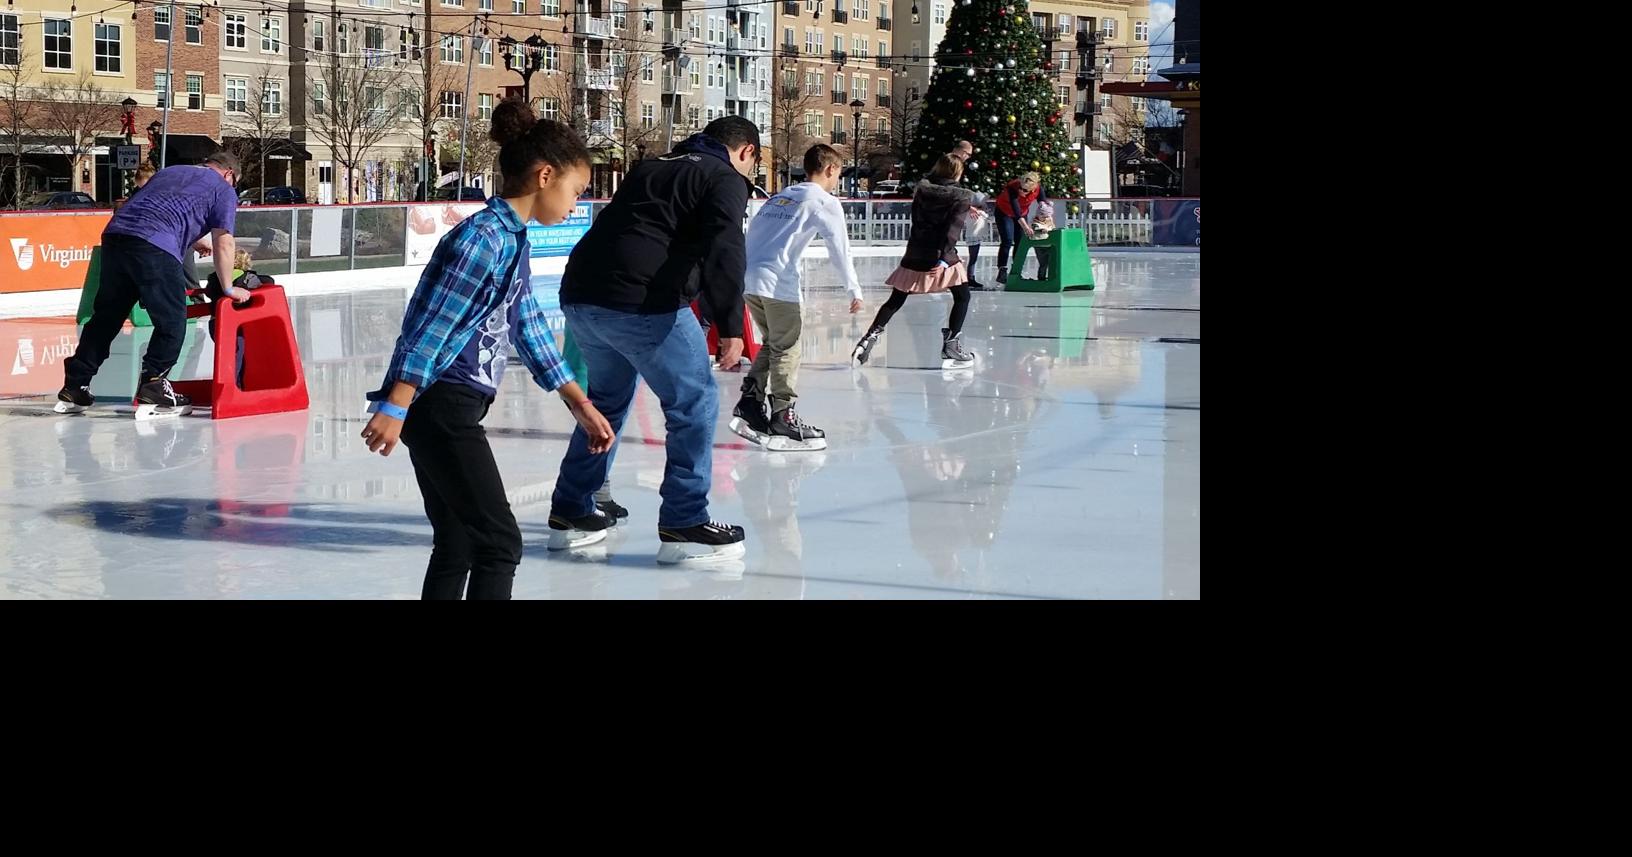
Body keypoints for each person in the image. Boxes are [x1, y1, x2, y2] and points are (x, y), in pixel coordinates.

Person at [359, 99, 615, 600]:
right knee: (499, 543)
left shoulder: (511, 238)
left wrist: (578, 402)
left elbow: (526, 323)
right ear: (546, 176)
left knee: (458, 539)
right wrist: (396, 402)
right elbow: (431, 324)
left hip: (447, 404)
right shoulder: (483, 238)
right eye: (577, 190)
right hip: (440, 403)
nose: (576, 204)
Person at [549, 116, 760, 565]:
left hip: (581, 294)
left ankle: (572, 509)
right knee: (694, 402)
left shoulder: (652, 165)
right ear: (746, 153)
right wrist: (730, 325)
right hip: (643, 302)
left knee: (605, 401)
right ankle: (685, 521)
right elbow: (726, 248)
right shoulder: (724, 177)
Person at [57, 151, 242, 418]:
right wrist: (227, 287)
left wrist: (191, 239)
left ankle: (75, 384)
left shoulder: (170, 171)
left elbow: (156, 211)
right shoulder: (223, 189)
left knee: (106, 318)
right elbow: (224, 240)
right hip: (154, 246)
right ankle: (154, 382)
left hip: (116, 236)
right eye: (233, 182)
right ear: (228, 174)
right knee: (173, 319)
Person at [730, 143, 862, 451]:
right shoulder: (823, 201)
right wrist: (853, 289)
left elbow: (753, 234)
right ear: (830, 169)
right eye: (838, 173)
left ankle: (750, 401)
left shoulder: (782, 196)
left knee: (775, 342)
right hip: (777, 284)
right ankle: (783, 416)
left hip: (750, 280)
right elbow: (839, 248)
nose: (837, 180)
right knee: (788, 346)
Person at [851, 154, 978, 370]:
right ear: (958, 172)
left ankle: (870, 336)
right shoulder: (960, 197)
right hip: (940, 253)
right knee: (962, 296)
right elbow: (951, 230)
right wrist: (945, 259)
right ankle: (952, 344)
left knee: (896, 298)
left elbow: (919, 219)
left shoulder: (923, 191)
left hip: (916, 251)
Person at [993, 171, 1048, 284]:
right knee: (1007, 240)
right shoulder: (1012, 188)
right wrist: (1026, 227)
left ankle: (1016, 270)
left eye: (1025, 190)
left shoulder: (1038, 188)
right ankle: (1002, 270)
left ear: (1033, 188)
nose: (1021, 191)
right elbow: (1016, 212)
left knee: (1020, 241)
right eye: (1021, 188)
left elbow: (1042, 201)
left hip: (1022, 213)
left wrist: (1044, 208)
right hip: (1004, 212)